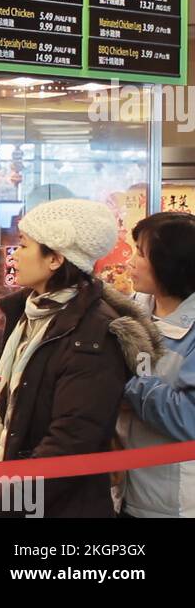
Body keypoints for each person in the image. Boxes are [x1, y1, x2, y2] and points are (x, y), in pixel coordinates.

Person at [0, 198, 160, 518]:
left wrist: (5, 497)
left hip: (50, 507)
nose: (15, 254)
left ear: (55, 258)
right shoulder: (22, 314)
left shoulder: (95, 334)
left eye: (24, 246)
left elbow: (72, 440)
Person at [118, 212, 195, 518]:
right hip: (124, 487)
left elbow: (189, 417)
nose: (129, 261)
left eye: (140, 252)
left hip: (172, 502)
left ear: (169, 262)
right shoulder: (130, 308)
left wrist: (126, 382)